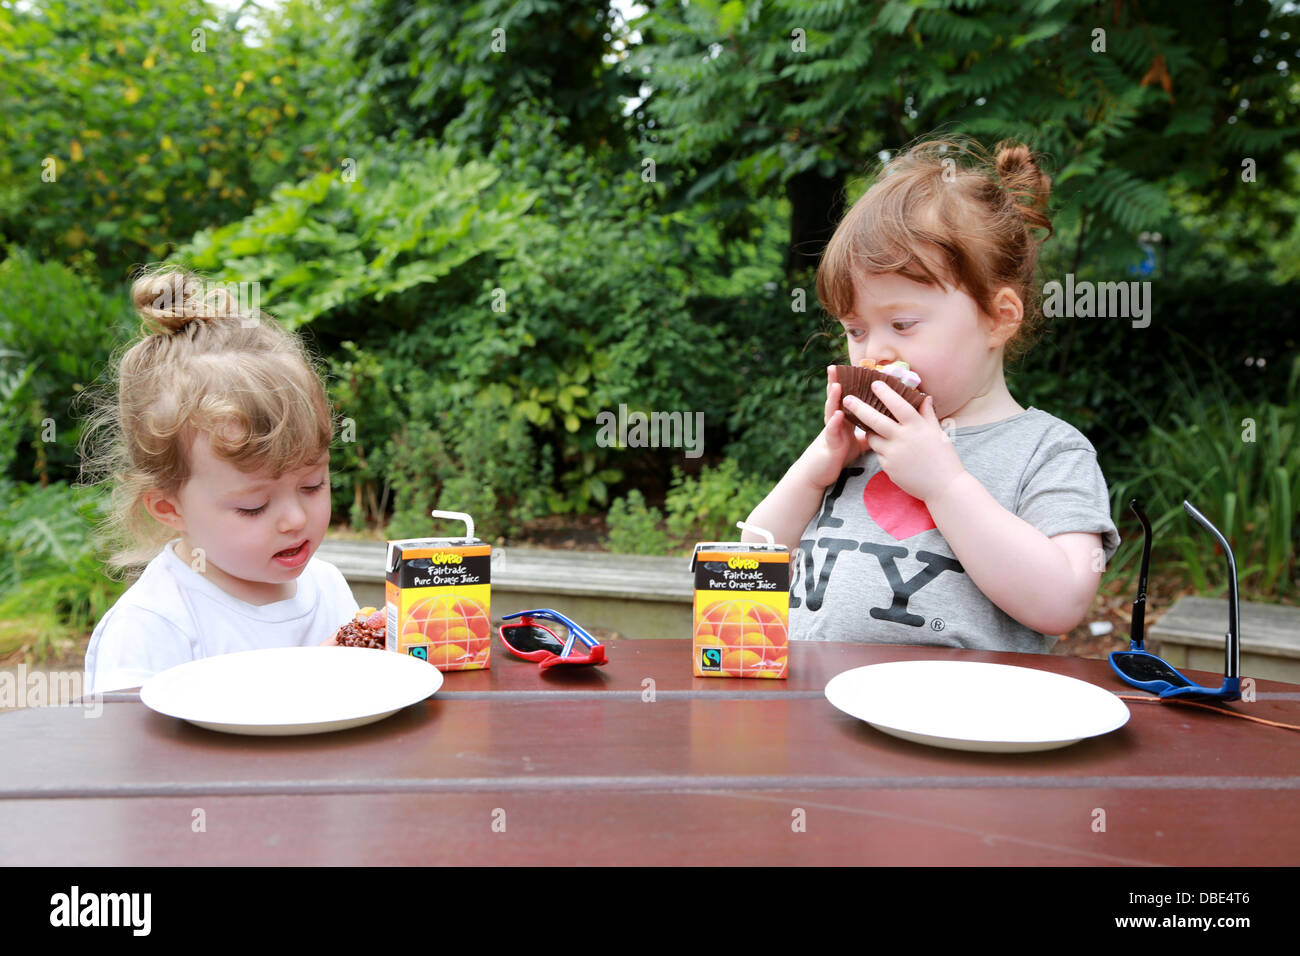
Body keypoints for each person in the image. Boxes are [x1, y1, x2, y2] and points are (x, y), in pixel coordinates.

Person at [745, 137, 1120, 654]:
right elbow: (750, 560)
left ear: (998, 317)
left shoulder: (1048, 452)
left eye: (902, 323)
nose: (874, 350)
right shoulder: (858, 448)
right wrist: (816, 469)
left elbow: (1062, 601)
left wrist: (944, 485)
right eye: (855, 330)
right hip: (818, 713)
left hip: (958, 723)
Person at [79, 268, 359, 693]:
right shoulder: (155, 624)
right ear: (170, 508)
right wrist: (302, 686)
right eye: (253, 506)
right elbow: (133, 756)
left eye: (313, 485)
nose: (295, 519)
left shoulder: (327, 587)